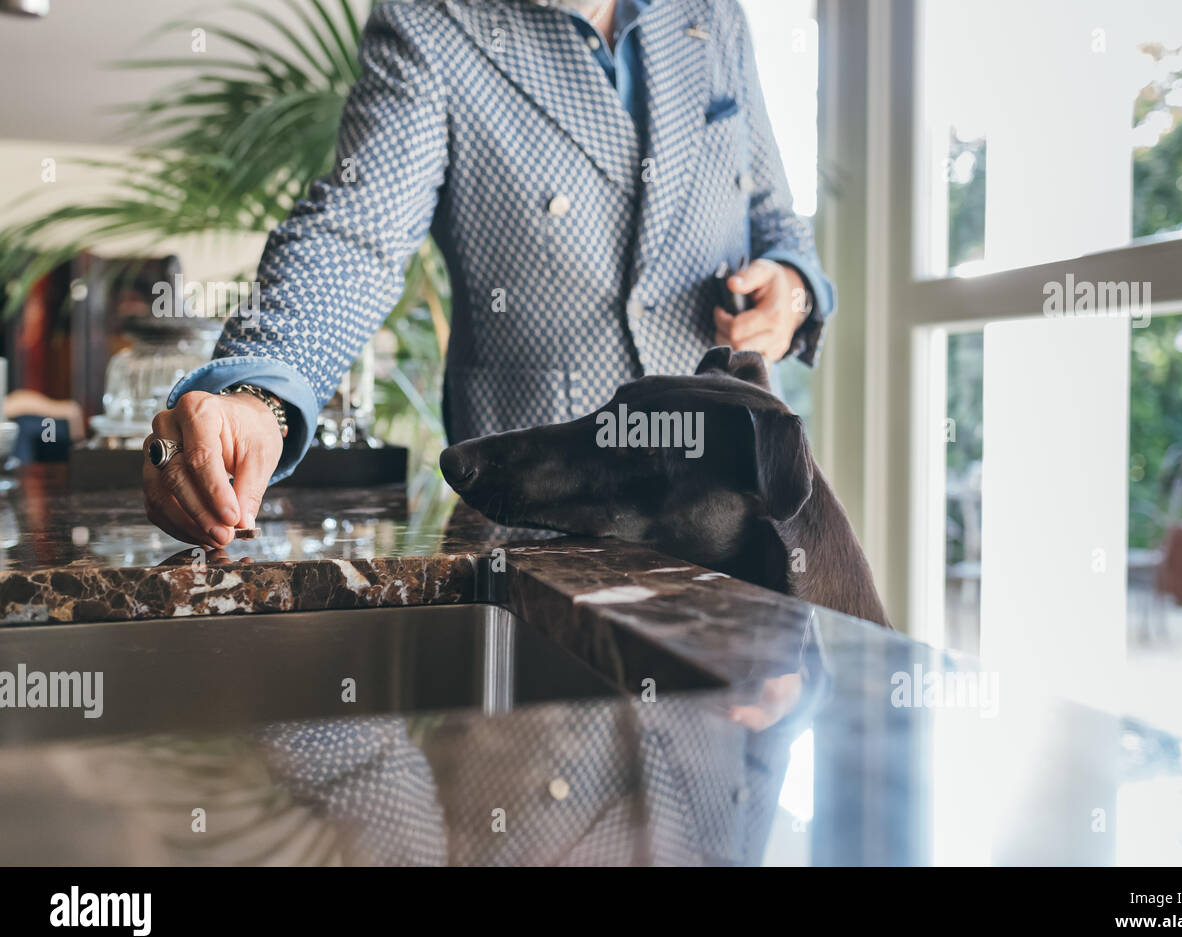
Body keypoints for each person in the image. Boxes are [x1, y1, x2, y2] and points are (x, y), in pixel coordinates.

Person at [142, 0, 836, 547]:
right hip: (540, 511)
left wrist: (794, 289)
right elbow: (357, 234)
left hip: (729, 508)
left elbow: (778, 223)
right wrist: (257, 393)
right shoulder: (433, 25)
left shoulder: (714, 17)